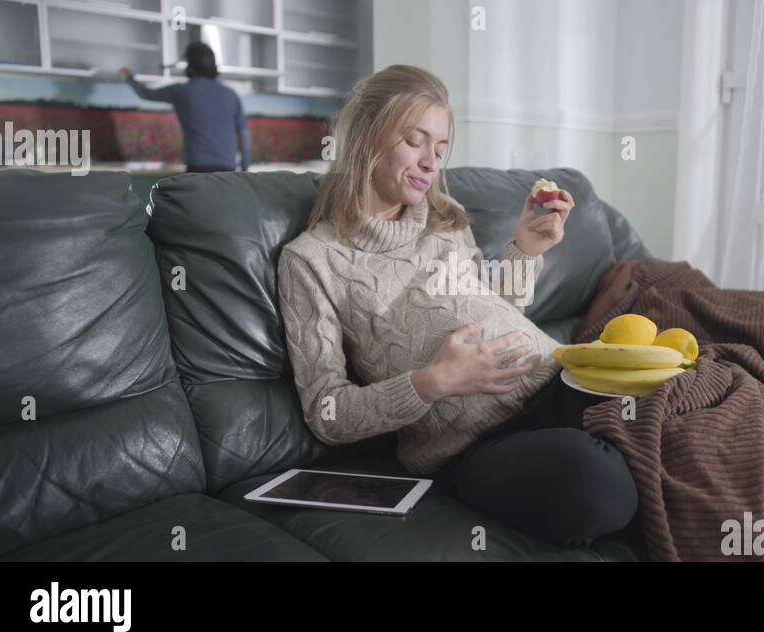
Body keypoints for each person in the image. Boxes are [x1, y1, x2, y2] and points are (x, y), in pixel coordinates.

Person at [278, 65, 638, 548]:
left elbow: (495, 311)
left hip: (557, 377)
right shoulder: (311, 260)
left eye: (441, 149)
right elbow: (327, 411)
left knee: (685, 401)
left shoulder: (447, 219)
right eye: (415, 140)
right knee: (597, 484)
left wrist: (525, 249)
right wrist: (433, 383)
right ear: (367, 134)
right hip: (474, 445)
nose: (431, 162)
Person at [119, 42, 251, 173]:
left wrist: (129, 77)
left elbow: (146, 94)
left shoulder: (182, 91)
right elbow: (244, 133)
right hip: (227, 170)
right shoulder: (231, 95)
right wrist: (244, 167)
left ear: (190, 65)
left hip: (198, 168)